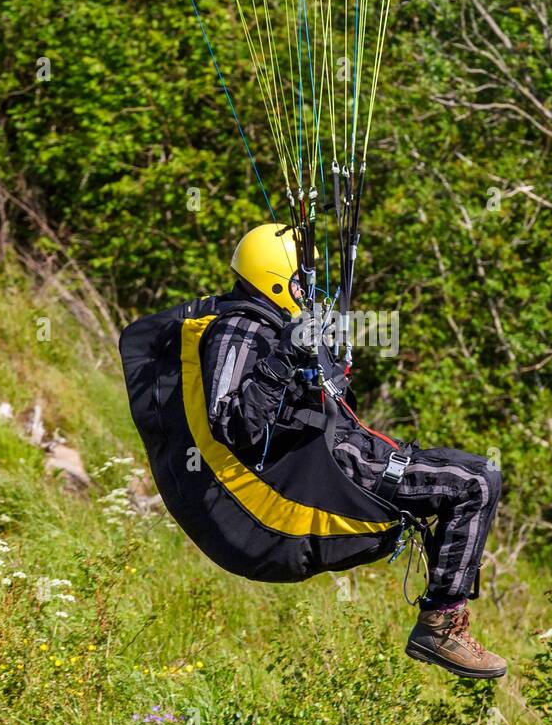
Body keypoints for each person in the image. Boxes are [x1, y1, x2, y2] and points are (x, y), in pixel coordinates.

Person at [204, 223, 506, 681]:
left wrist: (328, 365)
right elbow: (233, 424)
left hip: (347, 451)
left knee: (476, 478)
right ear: (273, 279)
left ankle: (443, 619)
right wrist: (285, 356)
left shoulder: (274, 325)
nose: (307, 291)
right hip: (331, 467)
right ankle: (441, 625)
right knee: (476, 482)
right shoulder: (240, 328)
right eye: (299, 282)